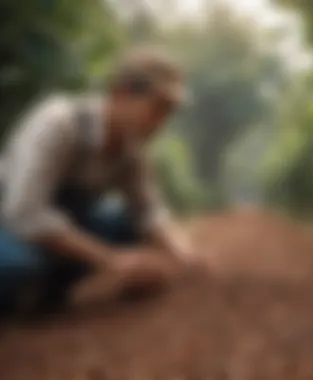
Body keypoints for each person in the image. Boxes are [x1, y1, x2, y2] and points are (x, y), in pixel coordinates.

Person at [0, 46, 195, 314]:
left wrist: (184, 256)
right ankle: (32, 284)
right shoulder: (59, 122)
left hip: (57, 223)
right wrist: (111, 260)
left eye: (168, 112)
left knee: (127, 224)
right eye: (157, 108)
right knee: (17, 267)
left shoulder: (132, 150)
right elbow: (25, 214)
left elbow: (148, 212)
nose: (161, 122)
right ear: (120, 93)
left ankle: (48, 285)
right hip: (9, 220)